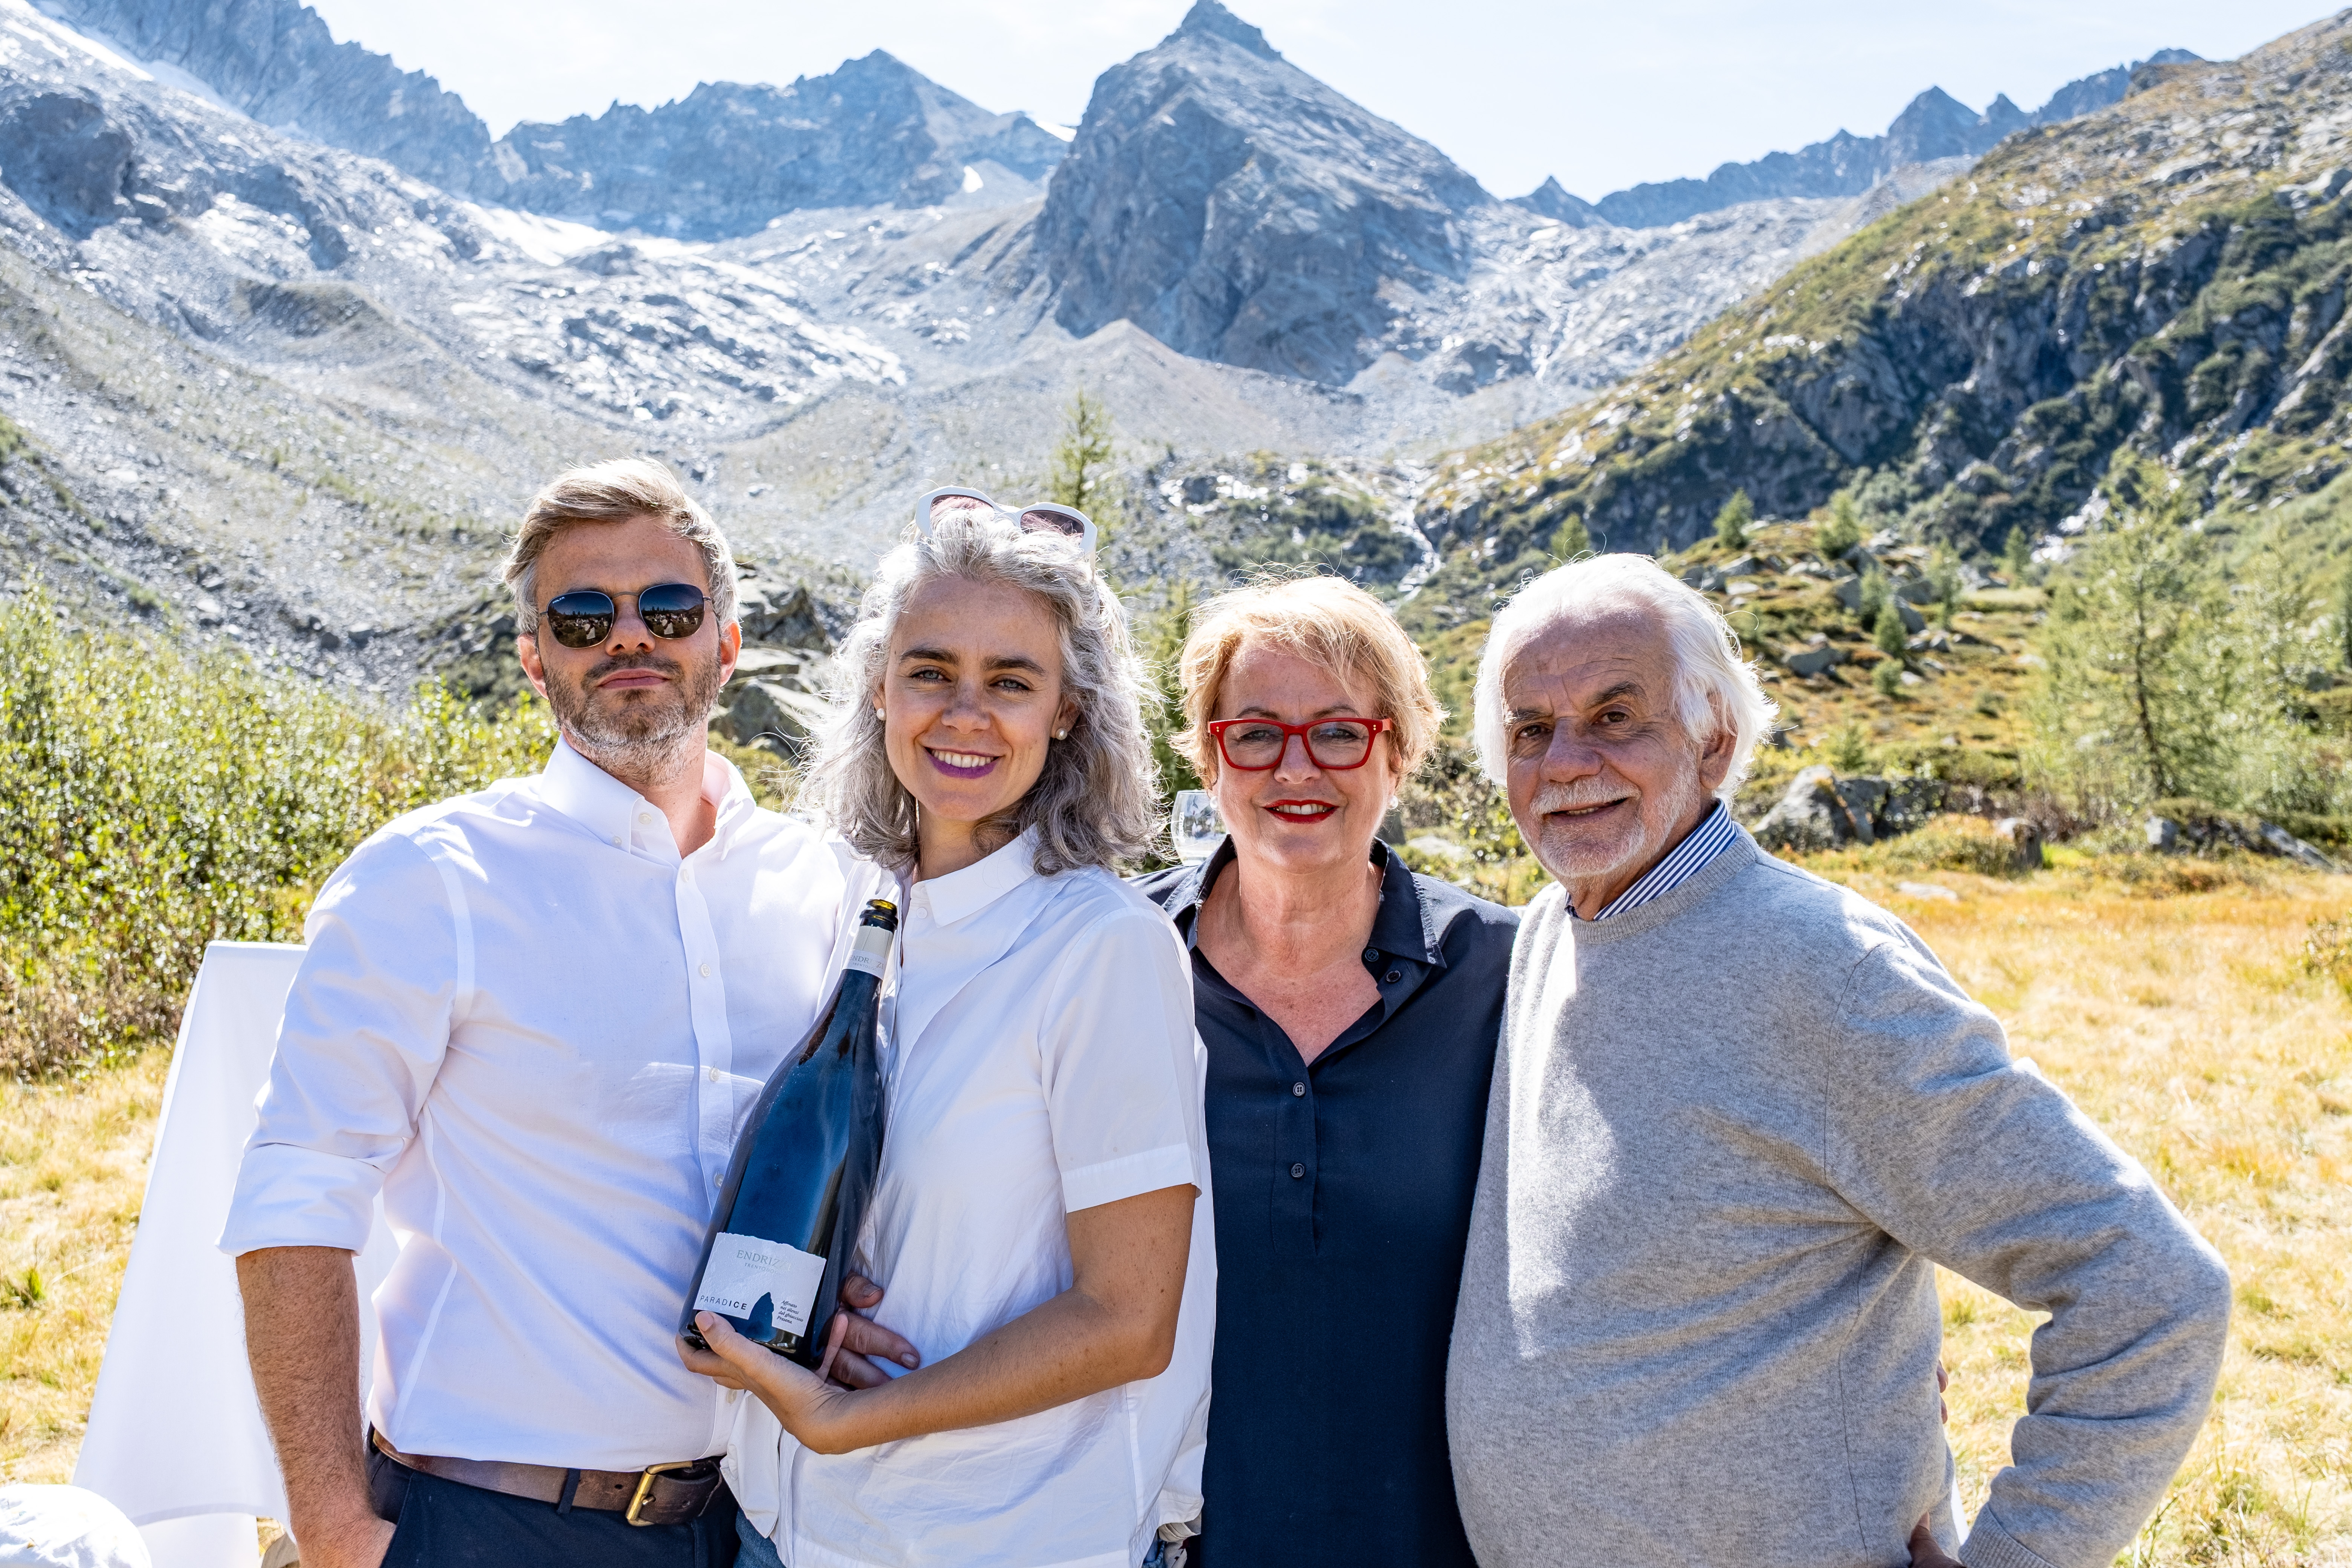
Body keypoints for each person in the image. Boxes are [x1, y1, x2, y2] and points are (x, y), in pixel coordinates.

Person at [1445, 553, 2234, 1568]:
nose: (1565, 762)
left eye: (1615, 715)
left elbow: (2152, 1288)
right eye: (1530, 729)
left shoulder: (1824, 968)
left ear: (1715, 739)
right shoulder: (1552, 937)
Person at [221, 458, 915, 1568]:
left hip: (758, 1523)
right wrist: (338, 1531)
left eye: (669, 610)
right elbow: (297, 1191)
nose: (628, 638)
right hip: (489, 1525)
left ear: (726, 642)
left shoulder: (825, 887)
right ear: (535, 658)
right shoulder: (430, 879)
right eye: (584, 617)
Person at [685, 493, 1214, 1568]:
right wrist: (812, 1322)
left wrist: (850, 1419)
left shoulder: (1100, 949)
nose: (965, 712)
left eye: (1011, 683)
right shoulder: (852, 919)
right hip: (781, 1531)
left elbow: (1128, 1319)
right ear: (881, 690)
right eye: (931, 671)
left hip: (991, 1541)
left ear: (1066, 711)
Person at [1132, 575, 1517, 1566]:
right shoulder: (1116, 958)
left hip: (1439, 1541)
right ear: (1209, 759)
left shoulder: (1509, 972)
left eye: (1340, 730)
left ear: (1397, 754)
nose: (1295, 766)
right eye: (1254, 732)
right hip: (1163, 1541)